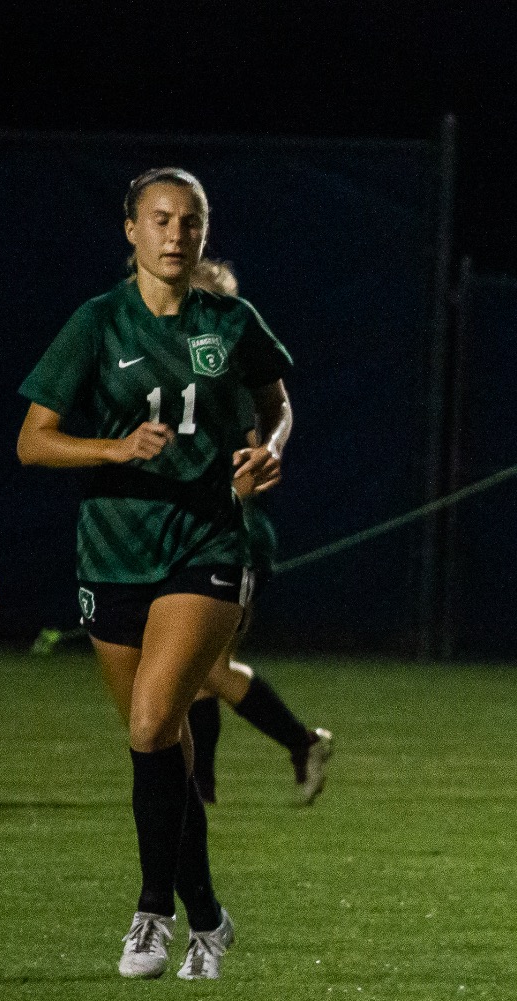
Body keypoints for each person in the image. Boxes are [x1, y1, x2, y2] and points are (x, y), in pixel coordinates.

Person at [17, 168, 293, 981]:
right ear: (131, 230)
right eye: (161, 219)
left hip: (206, 544)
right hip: (112, 553)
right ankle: (207, 913)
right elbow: (33, 440)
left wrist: (270, 448)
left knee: (150, 724)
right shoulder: (97, 322)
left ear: (205, 232)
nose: (177, 234)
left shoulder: (231, 320)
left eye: (191, 220)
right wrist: (114, 447)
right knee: (160, 742)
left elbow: (277, 402)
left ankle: (152, 912)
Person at [181, 258, 332, 806]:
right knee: (202, 672)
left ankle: (302, 742)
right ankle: (201, 788)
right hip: (214, 536)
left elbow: (249, 464)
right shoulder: (177, 371)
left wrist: (254, 464)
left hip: (232, 539)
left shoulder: (223, 378)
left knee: (203, 667)